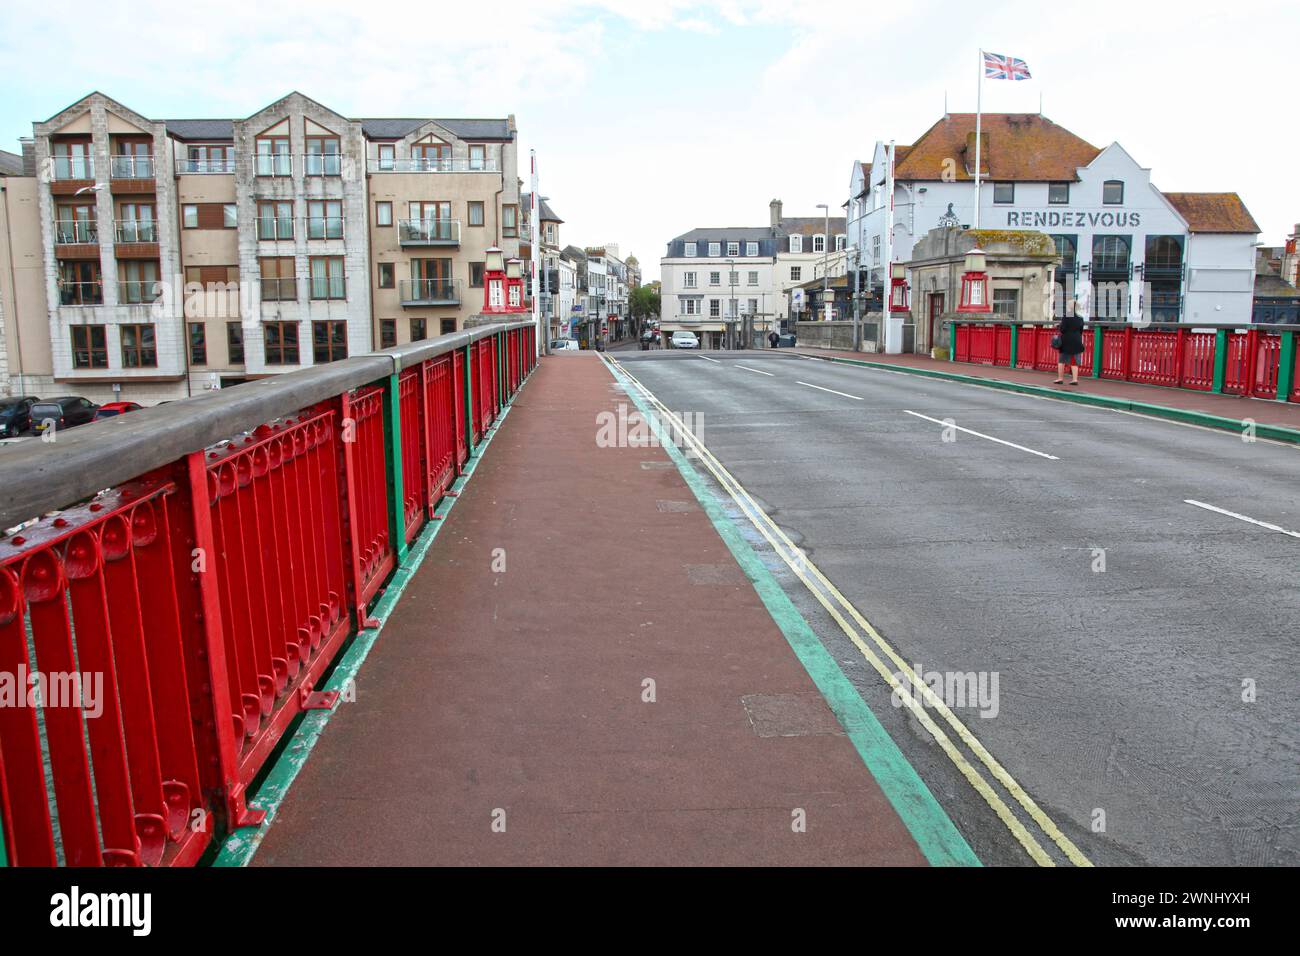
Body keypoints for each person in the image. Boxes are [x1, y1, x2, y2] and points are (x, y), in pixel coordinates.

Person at [1054, 311, 1085, 385]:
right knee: (1074, 361)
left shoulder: (1065, 317)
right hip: (1077, 340)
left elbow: (1062, 329)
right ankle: (1075, 379)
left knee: (1062, 360)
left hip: (1066, 340)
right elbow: (1081, 330)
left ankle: (1060, 378)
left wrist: (1059, 326)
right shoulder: (1080, 318)